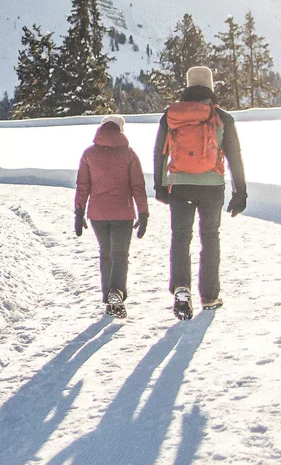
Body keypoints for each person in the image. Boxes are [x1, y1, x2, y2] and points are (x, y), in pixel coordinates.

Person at [153, 65, 247, 320]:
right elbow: (234, 156)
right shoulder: (222, 117)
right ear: (210, 86)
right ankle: (210, 296)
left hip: (180, 184)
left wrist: (160, 185)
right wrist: (240, 192)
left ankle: (181, 288)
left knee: (180, 237)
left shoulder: (172, 115)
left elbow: (160, 151)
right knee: (210, 238)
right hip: (212, 186)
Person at [74, 114, 149, 319]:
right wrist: (143, 213)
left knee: (105, 254)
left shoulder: (89, 154)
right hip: (123, 213)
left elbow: (82, 186)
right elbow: (138, 186)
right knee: (120, 255)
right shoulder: (129, 154)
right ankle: (116, 292)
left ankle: (110, 299)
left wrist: (79, 211)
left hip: (97, 214)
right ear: (120, 130)